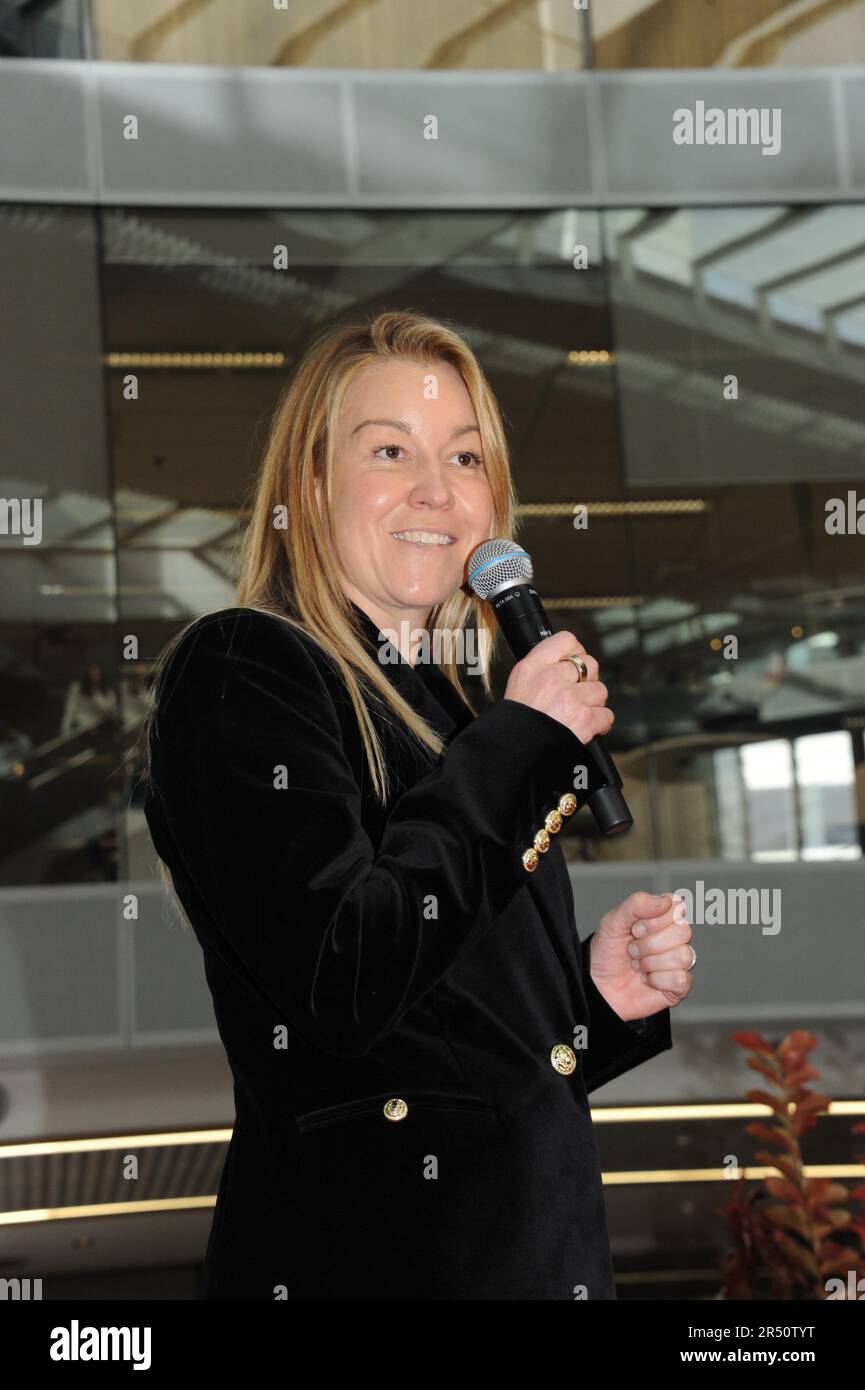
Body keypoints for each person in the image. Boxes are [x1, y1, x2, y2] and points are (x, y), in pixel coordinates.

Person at [140, 310, 694, 1301]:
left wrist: (589, 1004)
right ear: (310, 486)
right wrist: (520, 745)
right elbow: (344, 973)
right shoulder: (248, 669)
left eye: (466, 458)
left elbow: (451, 1059)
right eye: (390, 449)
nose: (437, 490)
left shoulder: (450, 712)